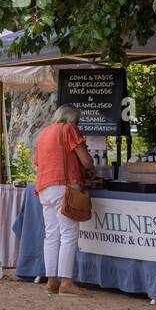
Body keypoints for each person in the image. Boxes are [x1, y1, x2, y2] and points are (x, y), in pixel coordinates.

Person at [33, 105, 95, 296]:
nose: (78, 125)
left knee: (51, 234)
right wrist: (91, 169)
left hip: (44, 187)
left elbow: (38, 162)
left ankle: (51, 280)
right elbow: (86, 161)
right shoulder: (69, 129)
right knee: (68, 233)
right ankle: (66, 282)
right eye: (77, 121)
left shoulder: (44, 133)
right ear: (72, 120)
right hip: (65, 186)